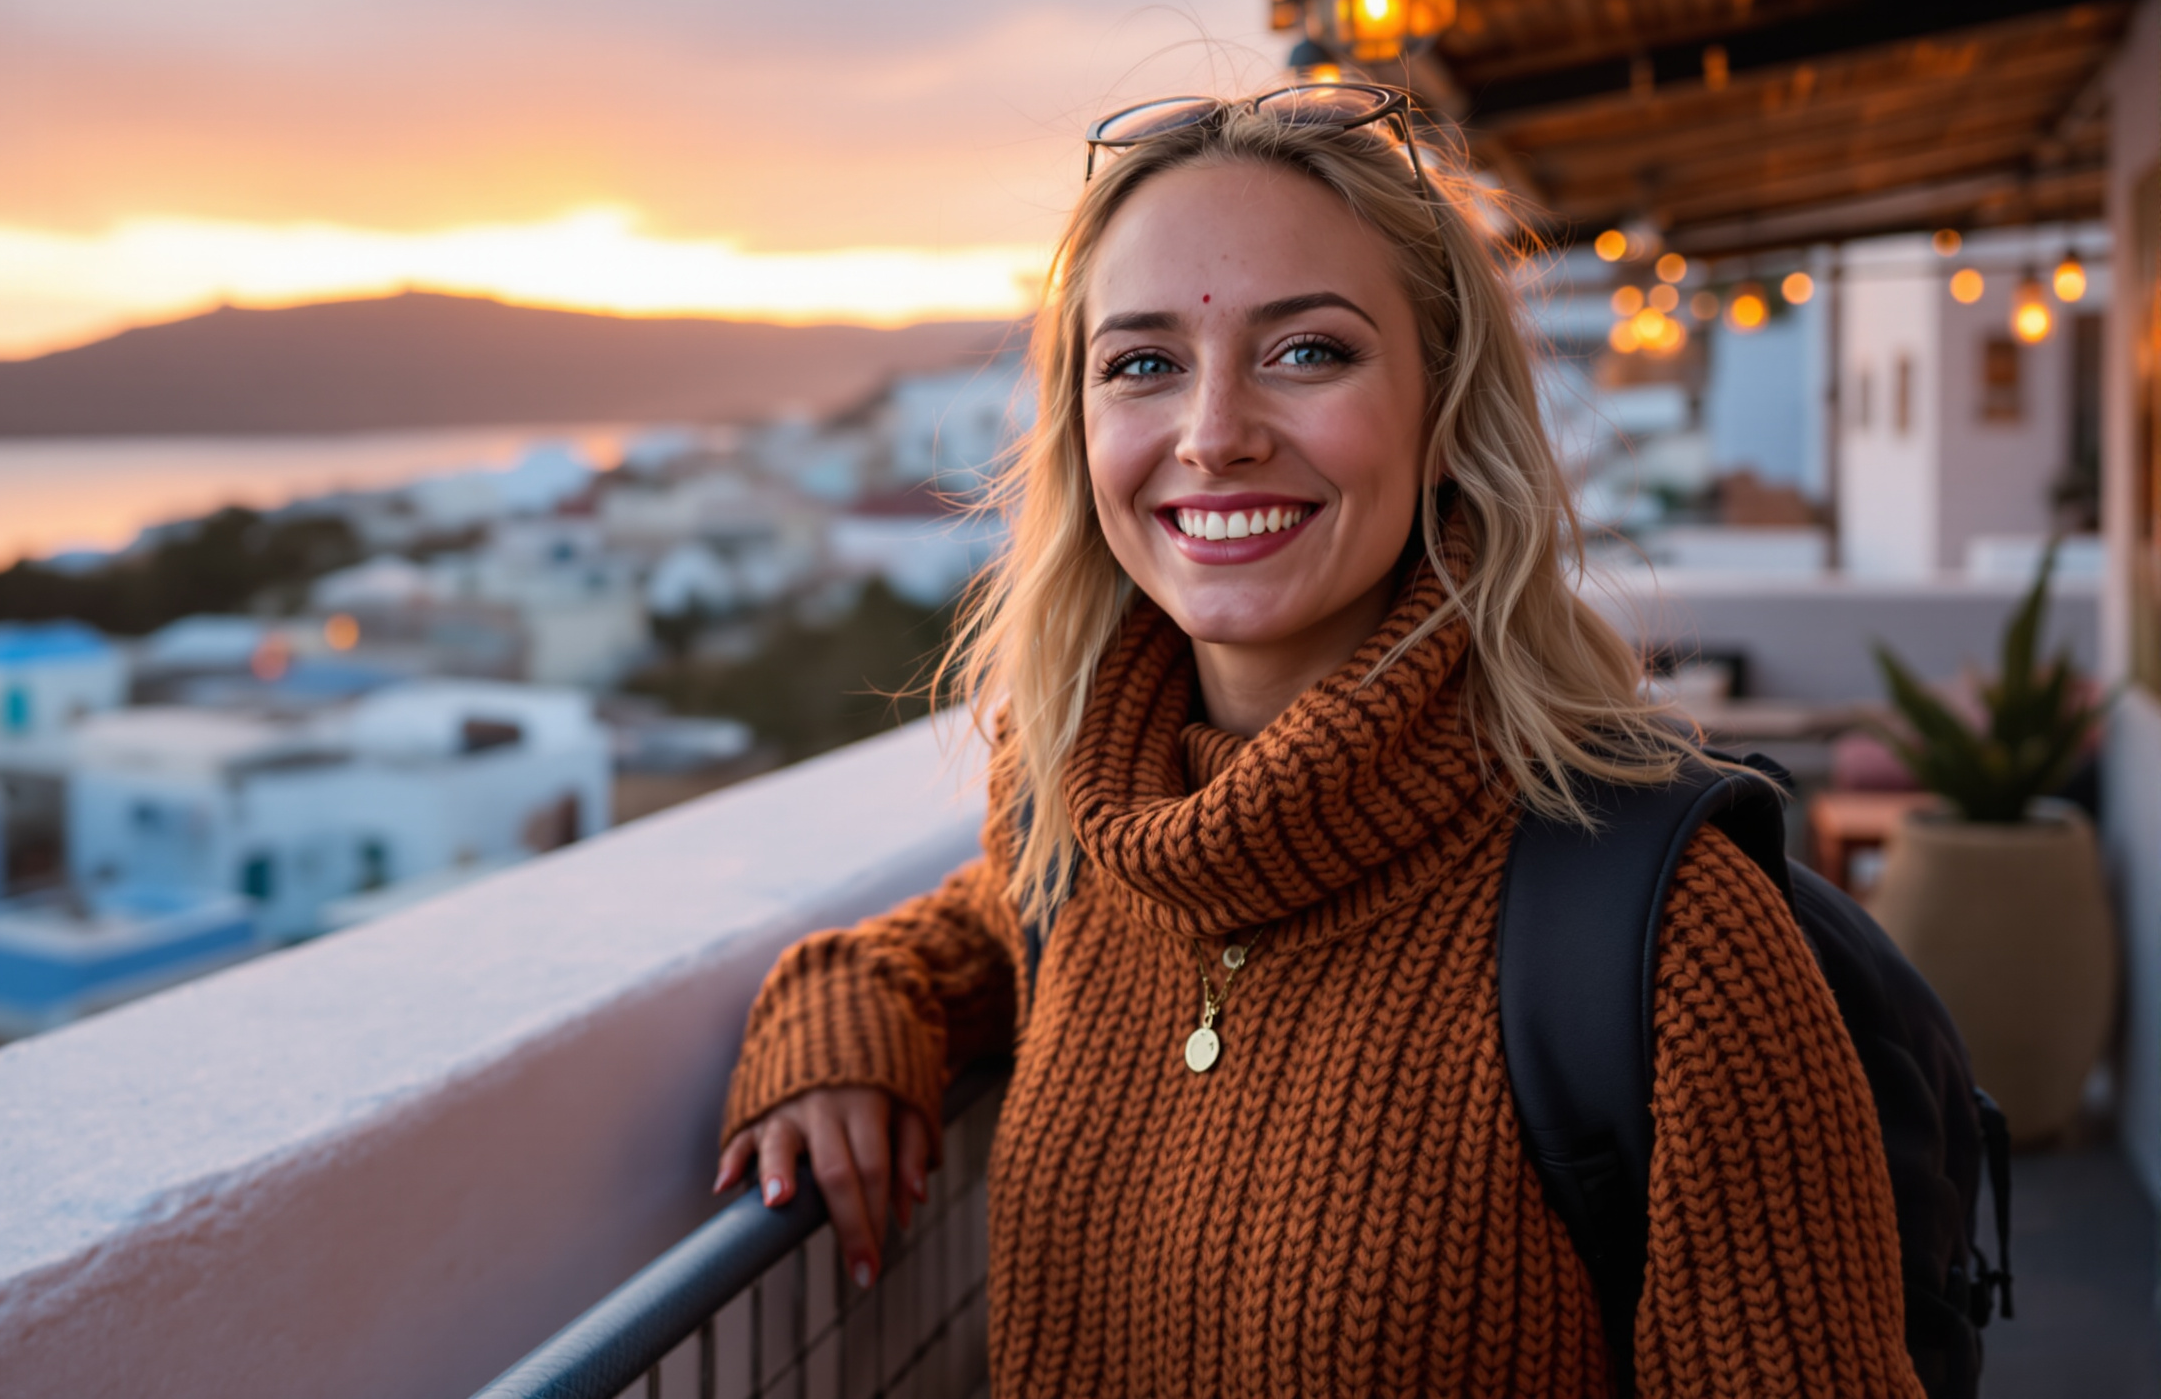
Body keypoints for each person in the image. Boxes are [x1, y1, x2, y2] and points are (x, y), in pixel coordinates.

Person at [711, 86, 1921, 1397]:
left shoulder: (1671, 935)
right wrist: (833, 1013)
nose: (1215, 434)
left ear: (1445, 409)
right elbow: (948, 944)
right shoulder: (1083, 828)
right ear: (1081, 432)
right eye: (1142, 363)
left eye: (1309, 353)